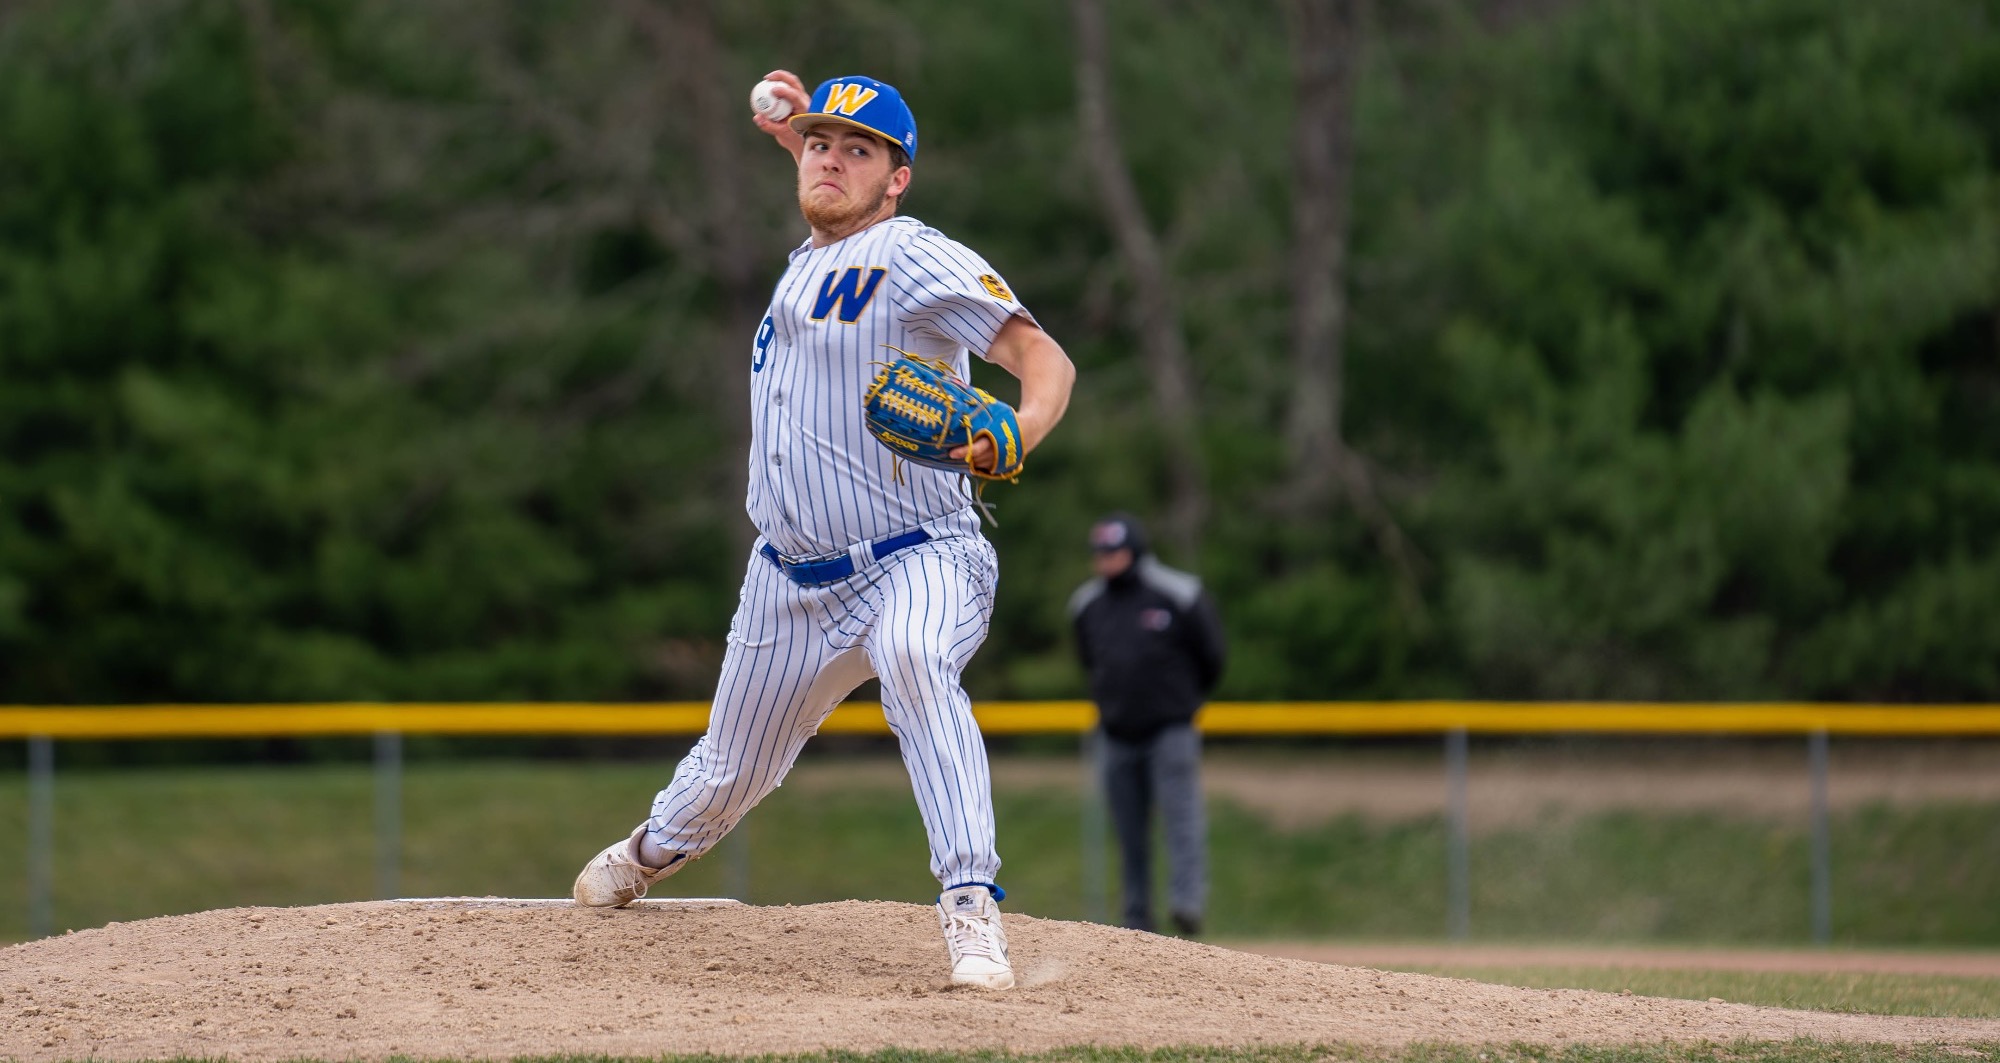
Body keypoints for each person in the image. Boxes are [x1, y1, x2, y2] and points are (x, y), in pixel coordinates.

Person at [569, 71, 1074, 992]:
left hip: (919, 554)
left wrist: (1021, 428)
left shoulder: (915, 253)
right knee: (726, 768)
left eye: (860, 150)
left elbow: (1041, 356)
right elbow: (824, 184)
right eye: (819, 145)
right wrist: (804, 135)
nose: (831, 159)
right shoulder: (807, 259)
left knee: (915, 657)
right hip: (788, 580)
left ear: (899, 178)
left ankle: (971, 906)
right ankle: (649, 851)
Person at [1068, 514, 1226, 935]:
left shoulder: (1178, 593)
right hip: (1117, 732)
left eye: (1116, 553)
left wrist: (1183, 703)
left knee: (1181, 821)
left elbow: (1213, 656)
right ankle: (1137, 919)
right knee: (1129, 832)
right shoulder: (1088, 604)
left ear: (1135, 551)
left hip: (1170, 730)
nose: (1107, 562)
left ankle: (1186, 906)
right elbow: (1088, 660)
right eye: (1101, 554)